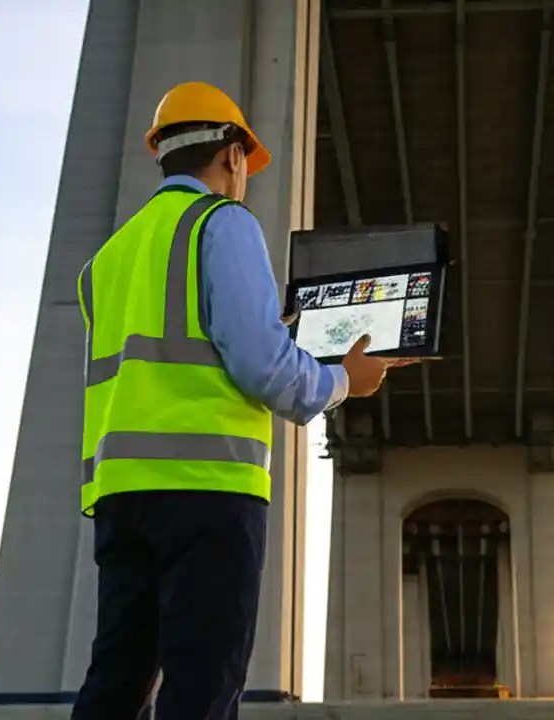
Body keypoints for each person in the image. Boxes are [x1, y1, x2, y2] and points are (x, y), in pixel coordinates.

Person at [71, 81, 402, 720]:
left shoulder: (109, 257)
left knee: (116, 679)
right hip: (209, 488)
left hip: (121, 494)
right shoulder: (221, 223)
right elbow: (262, 368)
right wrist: (343, 381)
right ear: (232, 153)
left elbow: (168, 349)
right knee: (203, 683)